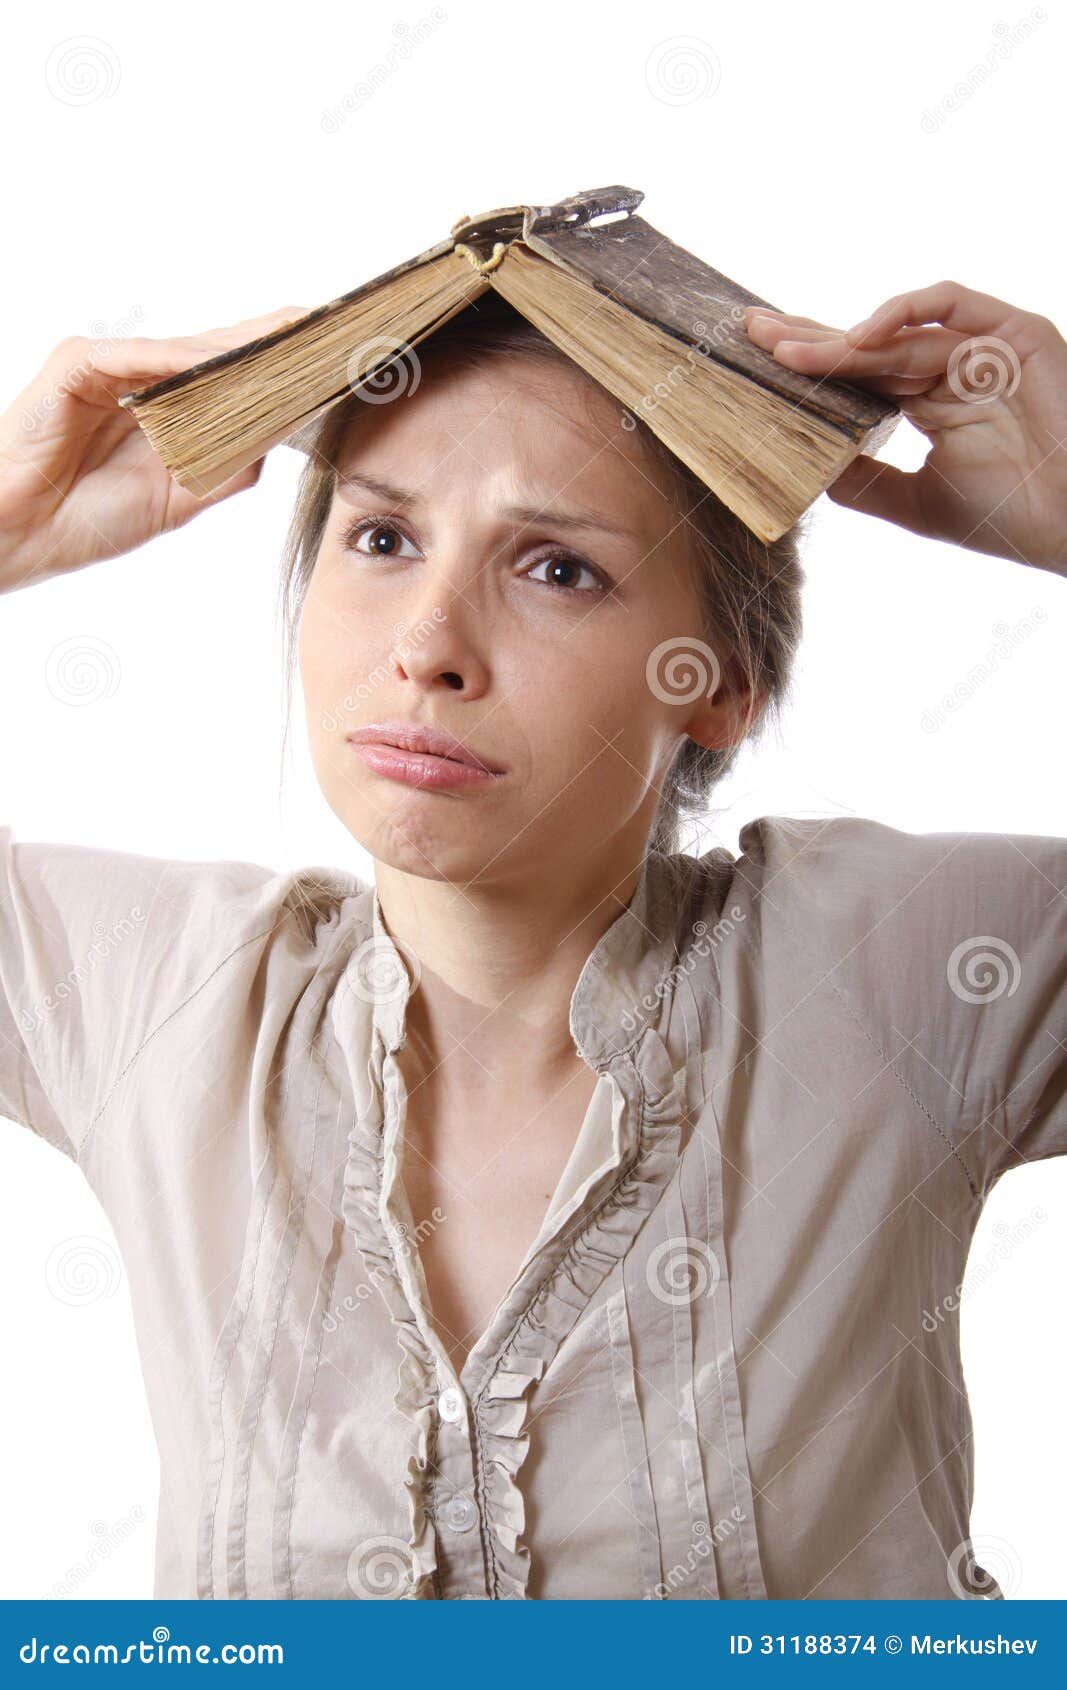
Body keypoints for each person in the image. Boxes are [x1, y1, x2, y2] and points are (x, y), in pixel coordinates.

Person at [0, 279, 1063, 1602]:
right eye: (382, 537)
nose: (428, 646)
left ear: (722, 681)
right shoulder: (157, 990)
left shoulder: (893, 970)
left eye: (558, 569)